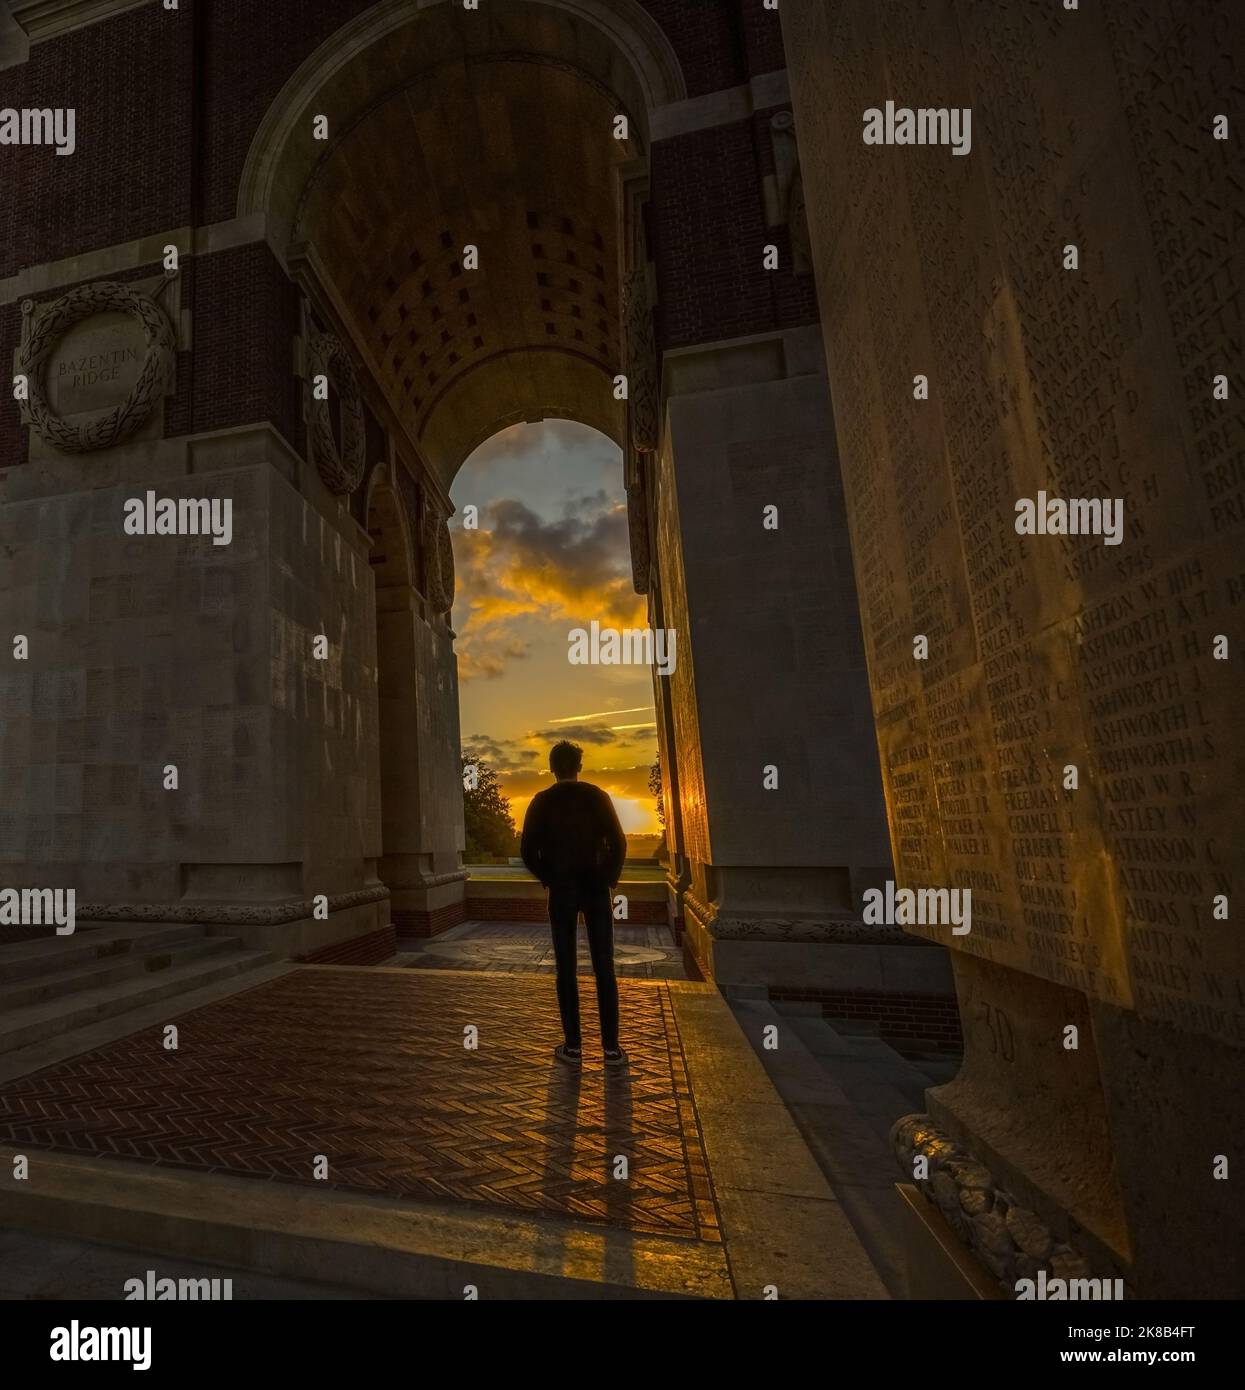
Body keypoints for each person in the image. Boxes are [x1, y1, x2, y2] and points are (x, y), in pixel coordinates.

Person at [520, 740, 628, 1067]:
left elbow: (527, 850)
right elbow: (619, 842)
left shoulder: (541, 802)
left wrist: (548, 877)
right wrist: (608, 877)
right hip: (595, 888)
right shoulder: (598, 797)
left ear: (551, 768)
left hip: (562, 890)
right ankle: (611, 1048)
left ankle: (573, 1046)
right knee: (604, 966)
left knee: (565, 968)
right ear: (579, 767)